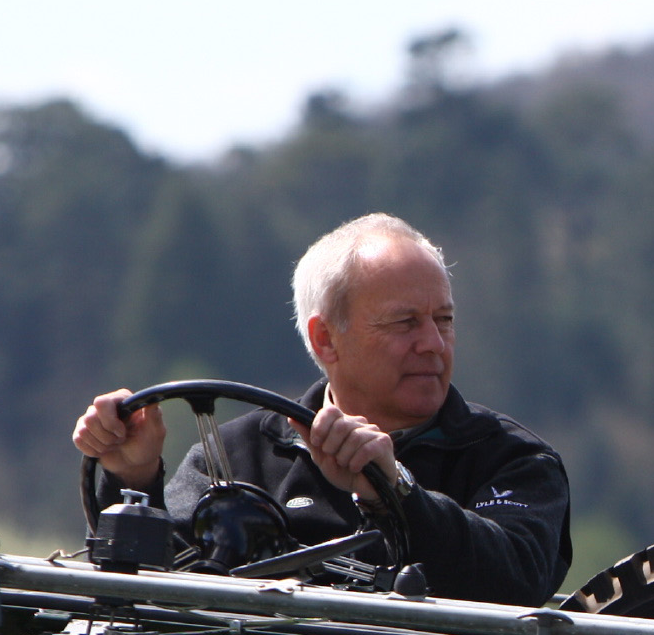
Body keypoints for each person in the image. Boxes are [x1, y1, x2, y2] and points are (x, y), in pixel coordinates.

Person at [72, 213, 571, 603]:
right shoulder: (239, 454)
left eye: (443, 320)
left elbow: (519, 580)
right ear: (325, 338)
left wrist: (395, 490)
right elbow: (153, 596)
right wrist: (132, 481)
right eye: (404, 323)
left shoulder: (513, 460)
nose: (434, 344)